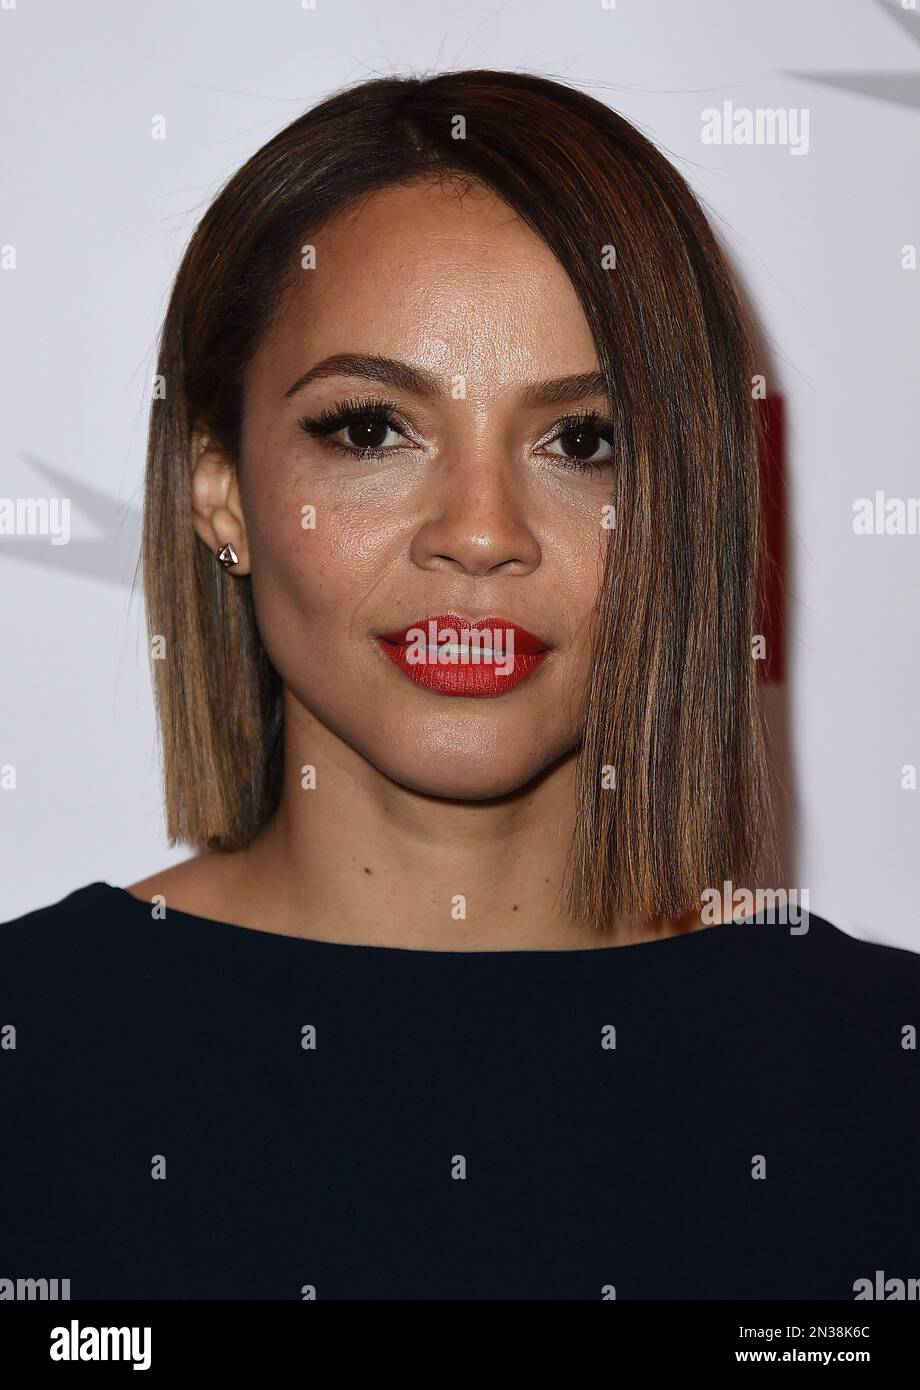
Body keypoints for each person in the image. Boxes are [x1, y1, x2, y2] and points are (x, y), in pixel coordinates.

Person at [2, 70, 918, 1301]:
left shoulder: (879, 1082)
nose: (479, 533)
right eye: (370, 428)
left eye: (582, 440)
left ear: (686, 506)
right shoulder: (34, 1059)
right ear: (220, 488)